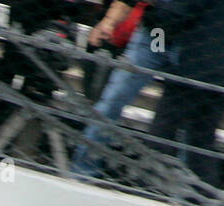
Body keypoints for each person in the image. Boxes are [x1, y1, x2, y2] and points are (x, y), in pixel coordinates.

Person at [141, 0, 224, 184]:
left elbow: (176, 13)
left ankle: (149, 181)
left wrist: (153, 18)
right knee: (202, 138)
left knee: (165, 126)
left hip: (197, 67)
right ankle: (203, 190)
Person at [71, 1, 182, 179]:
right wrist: (108, 22)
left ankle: (176, 186)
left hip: (192, 41)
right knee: (112, 101)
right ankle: (84, 170)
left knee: (182, 116)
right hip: (156, 32)